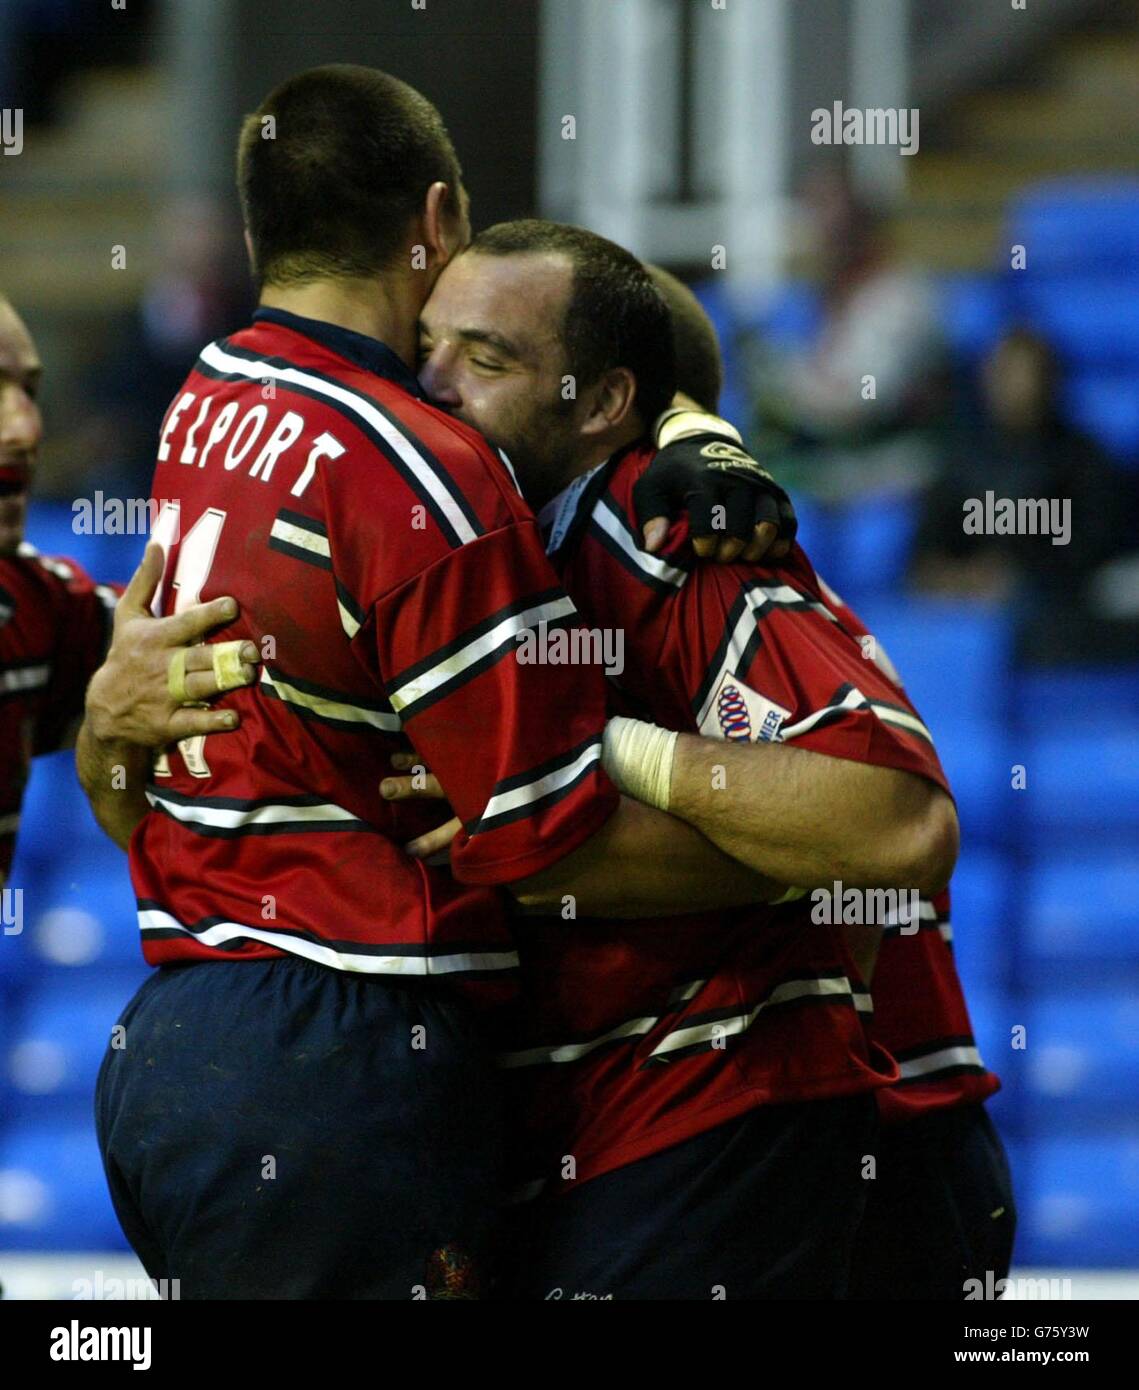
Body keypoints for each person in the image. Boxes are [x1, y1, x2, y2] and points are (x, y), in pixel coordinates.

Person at [75, 66, 794, 1301]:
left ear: (256, 233)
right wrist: (804, 853)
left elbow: (143, 782)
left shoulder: (203, 397)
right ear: (439, 221)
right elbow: (541, 839)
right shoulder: (421, 468)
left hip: (172, 1045)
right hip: (335, 1057)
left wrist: (690, 430)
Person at [395, 221, 962, 1297]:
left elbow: (895, 830)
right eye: (430, 345)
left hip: (838, 1131)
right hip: (628, 1136)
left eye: (488, 356)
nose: (430, 387)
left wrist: (591, 755)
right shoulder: (503, 546)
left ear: (617, 411)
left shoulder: (679, 538)